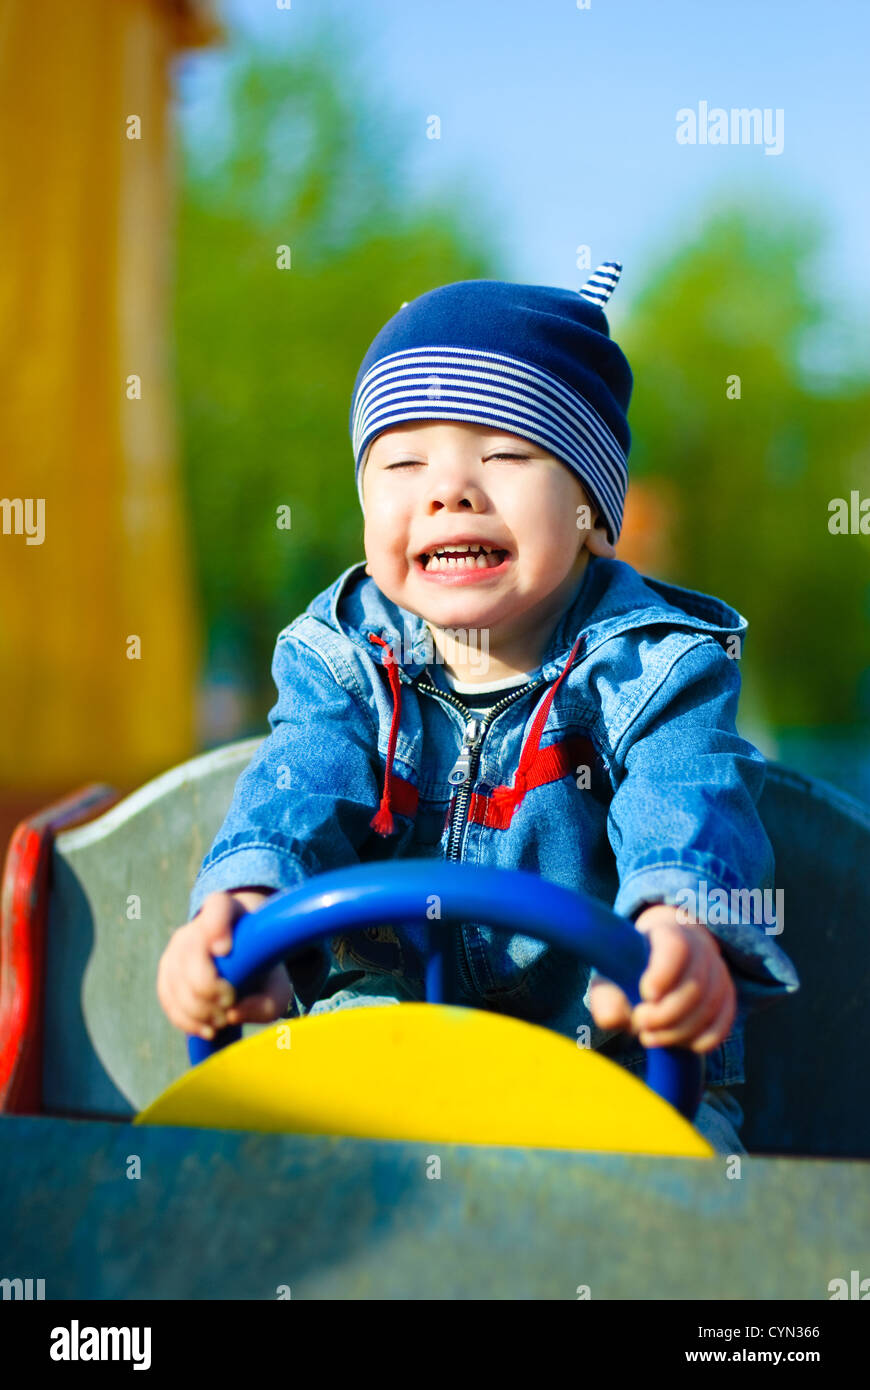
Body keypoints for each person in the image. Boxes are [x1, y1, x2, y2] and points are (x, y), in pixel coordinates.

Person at [157, 264, 800, 1156]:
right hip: (378, 1057)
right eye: (403, 459)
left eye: (505, 453)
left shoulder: (655, 666)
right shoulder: (342, 660)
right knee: (229, 1171)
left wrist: (679, 925)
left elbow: (687, 794)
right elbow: (298, 788)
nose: (449, 490)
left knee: (683, 1194)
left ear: (589, 506)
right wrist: (242, 904)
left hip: (608, 1072)